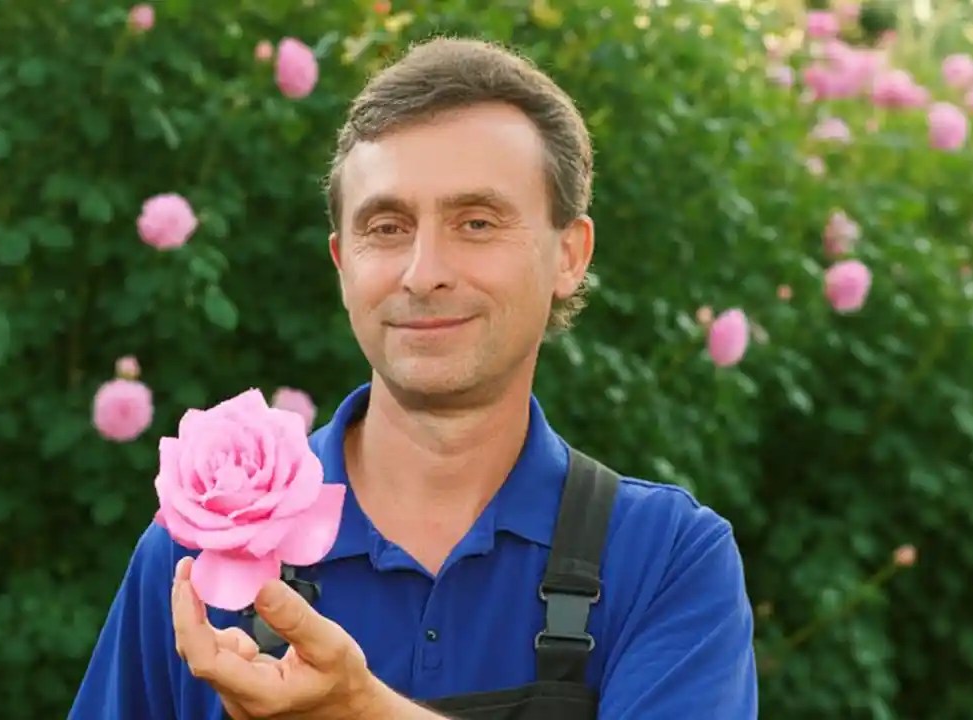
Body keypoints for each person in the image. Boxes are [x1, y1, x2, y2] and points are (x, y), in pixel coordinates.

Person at [69, 36, 758, 720]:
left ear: (569, 256)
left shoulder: (664, 558)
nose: (423, 271)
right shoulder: (199, 555)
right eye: (388, 226)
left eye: (477, 222)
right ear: (342, 262)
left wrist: (360, 711)